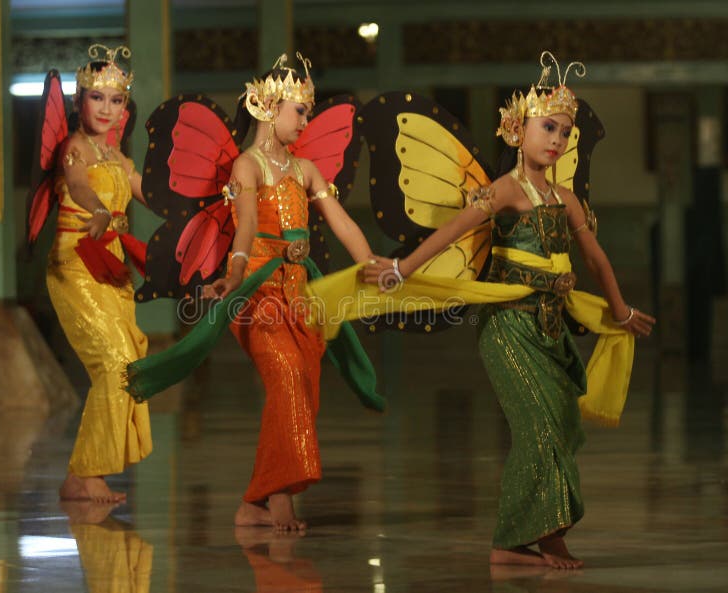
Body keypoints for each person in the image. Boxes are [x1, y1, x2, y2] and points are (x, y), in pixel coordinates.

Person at [310, 52, 655, 568]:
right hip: (508, 328)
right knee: (537, 426)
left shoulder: (567, 199)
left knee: (558, 426)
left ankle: (534, 533)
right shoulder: (504, 190)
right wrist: (402, 270)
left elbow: (597, 258)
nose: (557, 140)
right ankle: (522, 540)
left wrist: (622, 311)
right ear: (518, 131)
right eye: (547, 128)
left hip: (551, 328)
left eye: (564, 131)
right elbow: (451, 232)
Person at [125, 53, 383, 532]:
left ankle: (255, 503)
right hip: (258, 294)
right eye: (300, 110)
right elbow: (244, 227)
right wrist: (235, 272)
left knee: (302, 391)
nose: (306, 119)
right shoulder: (247, 166)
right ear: (267, 106)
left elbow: (342, 222)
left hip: (300, 296)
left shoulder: (306, 170)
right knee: (284, 379)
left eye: (309, 110)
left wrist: (370, 261)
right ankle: (280, 500)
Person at [48, 44, 152, 503]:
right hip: (75, 262)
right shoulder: (75, 149)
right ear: (78, 101)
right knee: (111, 365)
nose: (107, 108)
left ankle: (89, 473)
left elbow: (159, 198)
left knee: (128, 366)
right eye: (97, 98)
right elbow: (77, 187)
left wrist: (216, 203)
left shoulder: (119, 159)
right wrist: (99, 211)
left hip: (112, 266)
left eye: (116, 100)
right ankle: (83, 474)